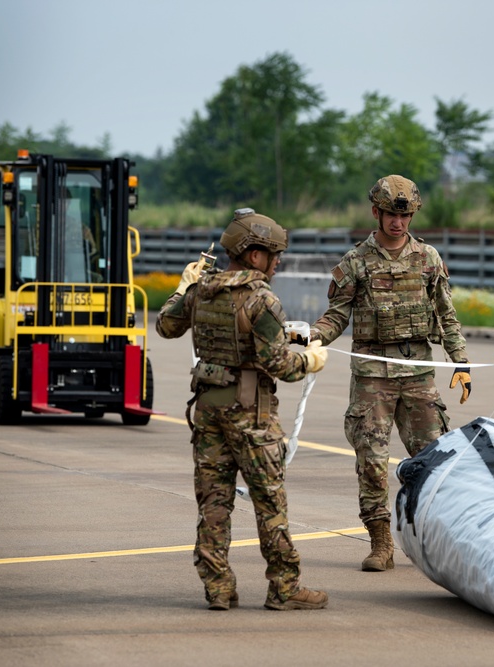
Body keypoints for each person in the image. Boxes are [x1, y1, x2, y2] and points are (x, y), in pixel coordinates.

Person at [156, 208, 330, 612]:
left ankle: (218, 588)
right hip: (252, 416)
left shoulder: (202, 291)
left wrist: (182, 288)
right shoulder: (262, 300)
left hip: (208, 411)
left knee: (213, 503)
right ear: (253, 255)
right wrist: (310, 361)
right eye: (273, 253)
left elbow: (166, 326)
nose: (277, 261)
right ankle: (284, 588)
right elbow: (280, 366)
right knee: (270, 502)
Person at [302, 175, 471, 572]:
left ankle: (439, 536)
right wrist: (313, 337)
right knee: (372, 460)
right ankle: (380, 542)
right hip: (372, 375)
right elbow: (336, 316)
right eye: (392, 215)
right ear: (375, 212)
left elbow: (446, 315)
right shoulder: (356, 262)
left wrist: (460, 362)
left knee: (436, 458)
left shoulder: (428, 258)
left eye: (406, 215)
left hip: (417, 374)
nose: (399, 222)